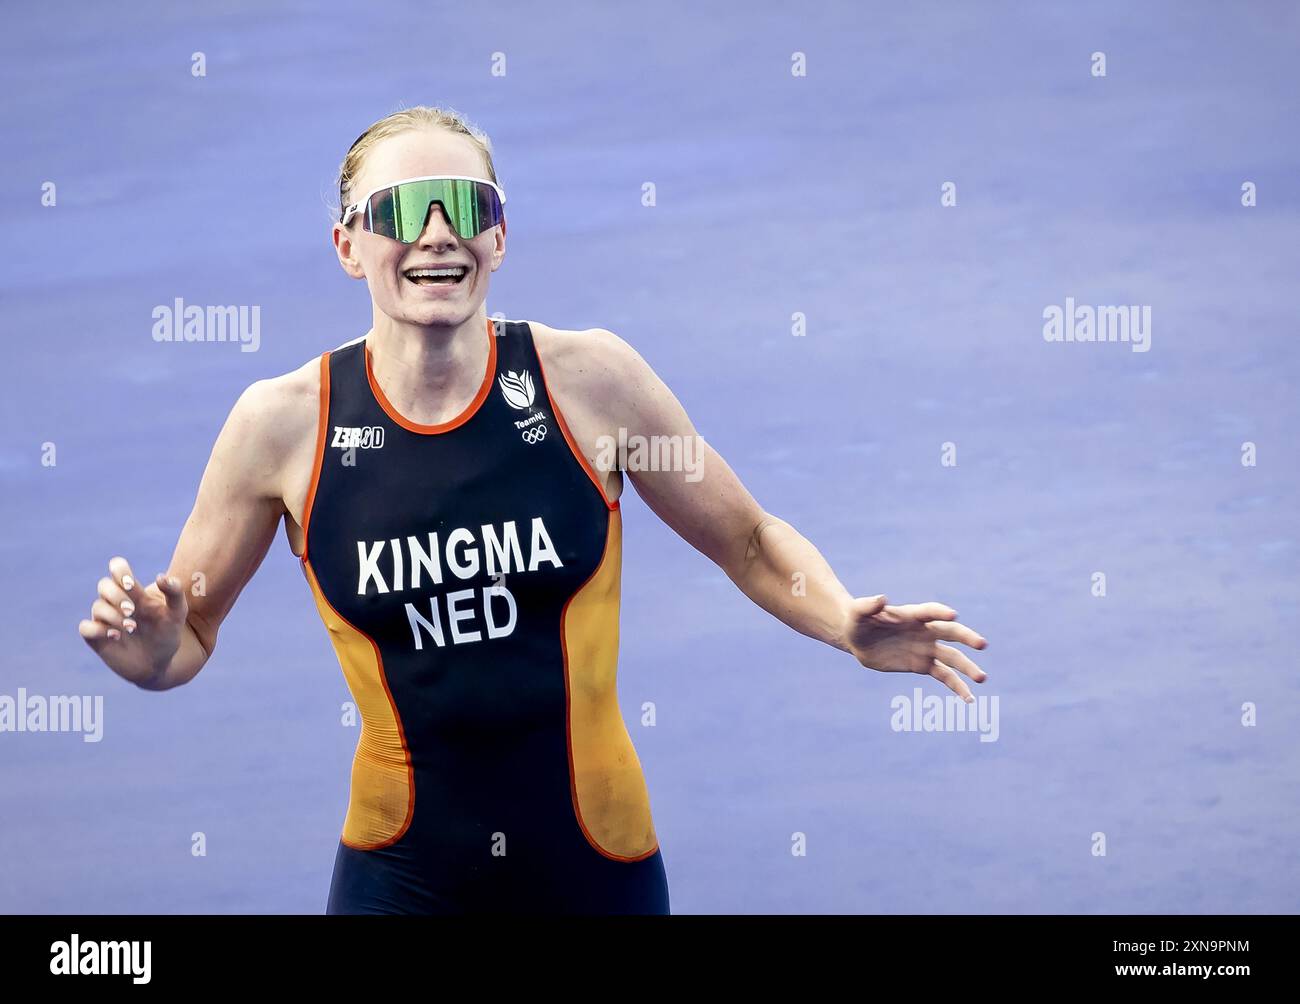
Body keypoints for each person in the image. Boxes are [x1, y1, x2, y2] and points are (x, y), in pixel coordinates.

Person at [77, 105, 989, 914]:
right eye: (401, 211)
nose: (439, 234)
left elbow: (747, 539)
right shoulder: (279, 429)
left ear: (501, 237)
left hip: (597, 866)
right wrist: (153, 653)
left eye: (468, 207)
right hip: (401, 879)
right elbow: (184, 637)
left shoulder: (590, 383)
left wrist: (842, 621)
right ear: (348, 246)